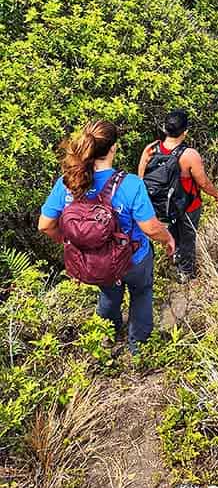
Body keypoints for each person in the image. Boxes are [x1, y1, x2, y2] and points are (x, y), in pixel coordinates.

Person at [38, 119, 175, 353]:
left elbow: (45, 225)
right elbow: (151, 228)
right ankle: (138, 348)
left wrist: (71, 242)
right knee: (141, 294)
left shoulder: (68, 183)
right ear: (113, 148)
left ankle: (107, 336)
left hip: (96, 261)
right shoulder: (130, 184)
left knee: (109, 294)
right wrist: (168, 239)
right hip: (134, 259)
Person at [138, 110, 218, 281]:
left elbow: (141, 179)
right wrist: (217, 195)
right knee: (188, 238)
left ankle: (174, 261)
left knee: (173, 233)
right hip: (188, 206)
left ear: (165, 129)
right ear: (185, 132)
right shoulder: (189, 155)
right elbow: (203, 183)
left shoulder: (150, 149)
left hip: (163, 206)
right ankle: (186, 273)